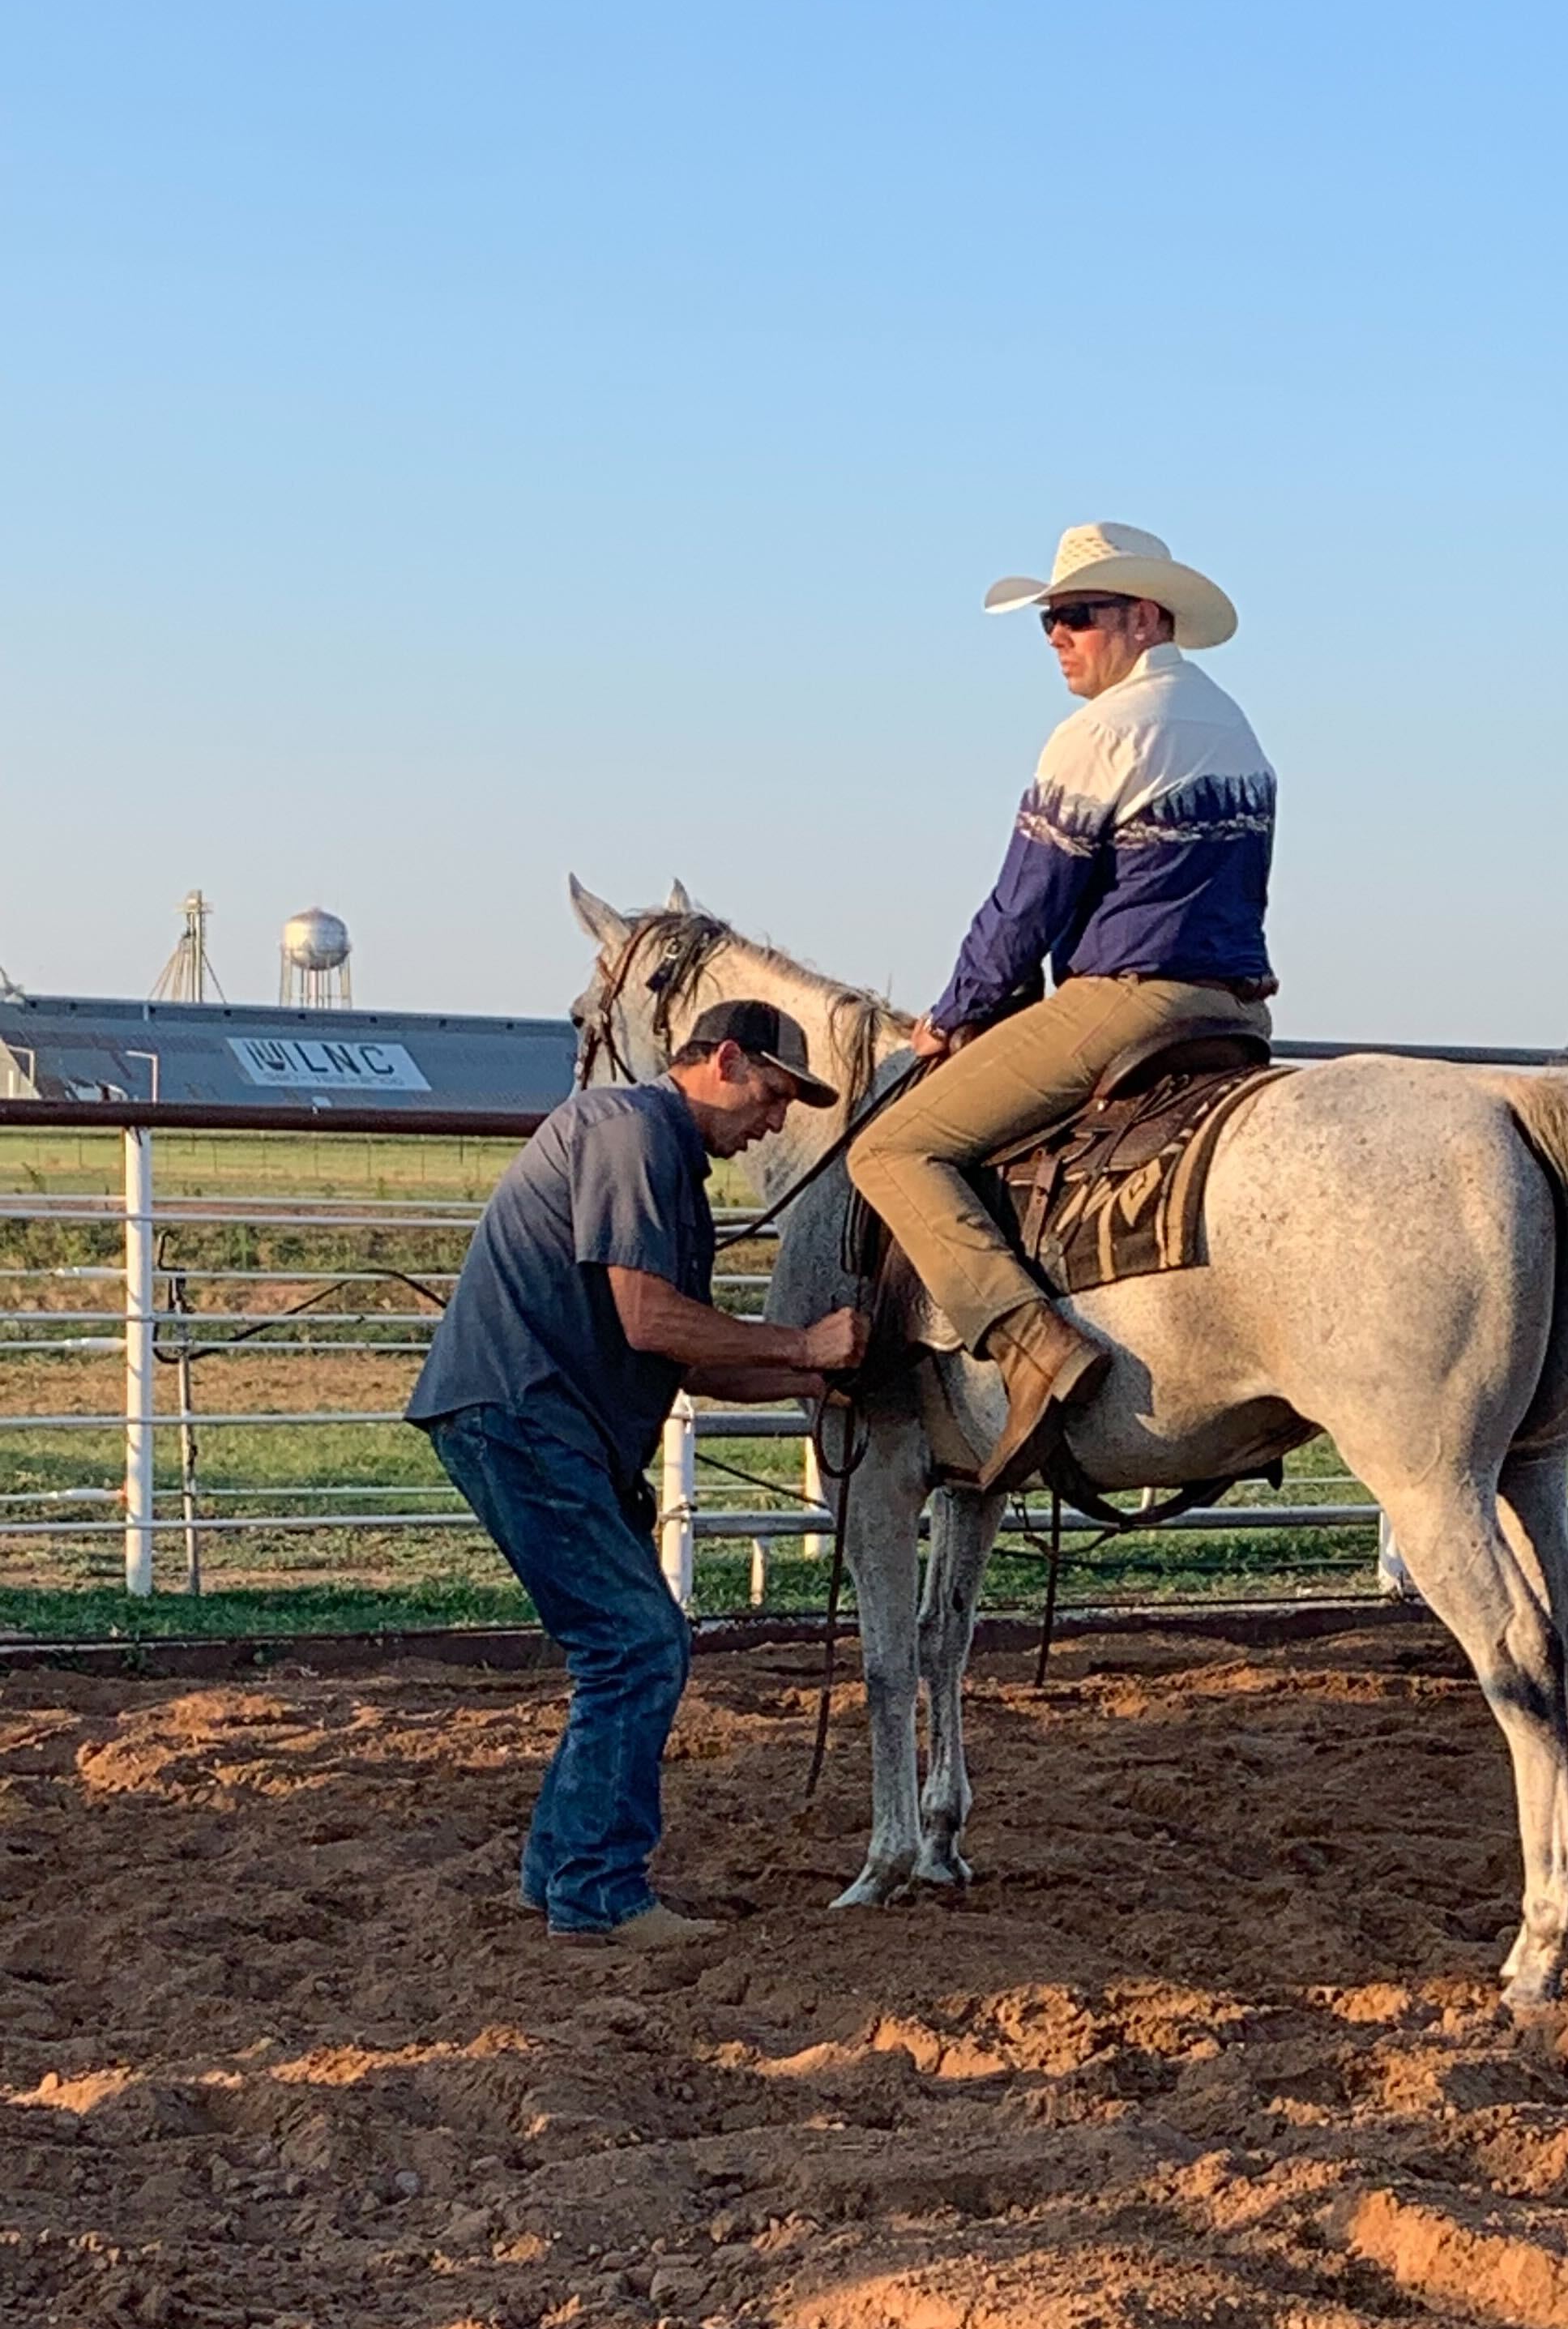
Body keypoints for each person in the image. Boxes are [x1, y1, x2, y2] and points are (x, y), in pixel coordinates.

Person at [408, 1000, 866, 1946]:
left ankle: (560, 1873)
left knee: (620, 1647)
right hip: (527, 1412)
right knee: (638, 1642)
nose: (775, 1123)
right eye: (774, 1096)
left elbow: (687, 1357)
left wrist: (810, 1373)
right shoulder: (633, 1137)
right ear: (727, 1061)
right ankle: (597, 1892)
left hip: (526, 1412)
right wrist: (804, 1343)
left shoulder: (644, 1147)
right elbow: (655, 1323)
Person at [847, 519, 1276, 1490]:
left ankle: (1033, 1341)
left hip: (1128, 1003)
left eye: (1077, 615)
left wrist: (953, 1016)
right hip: (1236, 1016)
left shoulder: (1102, 730)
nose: (1056, 634)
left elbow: (1025, 906)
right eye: (1051, 619)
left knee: (892, 1148)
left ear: (1144, 617)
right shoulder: (1234, 724)